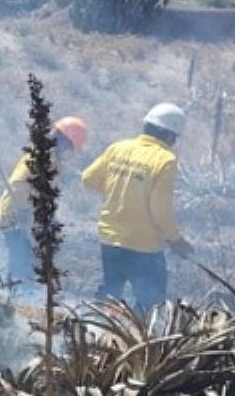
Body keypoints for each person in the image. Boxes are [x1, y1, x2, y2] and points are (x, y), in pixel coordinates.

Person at [80, 102, 194, 311]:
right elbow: (160, 210)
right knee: (150, 301)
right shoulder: (165, 159)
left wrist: (120, 192)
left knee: (110, 292)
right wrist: (176, 240)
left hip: (110, 236)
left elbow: (88, 178)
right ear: (170, 135)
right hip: (143, 245)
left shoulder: (118, 148)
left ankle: (93, 331)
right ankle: (138, 340)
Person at [0, 116, 88, 289]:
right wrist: (22, 212)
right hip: (15, 217)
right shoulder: (45, 158)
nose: (70, 152)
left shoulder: (48, 156)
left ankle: (6, 296)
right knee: (21, 269)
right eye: (70, 148)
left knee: (21, 265)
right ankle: (7, 302)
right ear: (64, 142)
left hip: (21, 217)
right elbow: (20, 186)